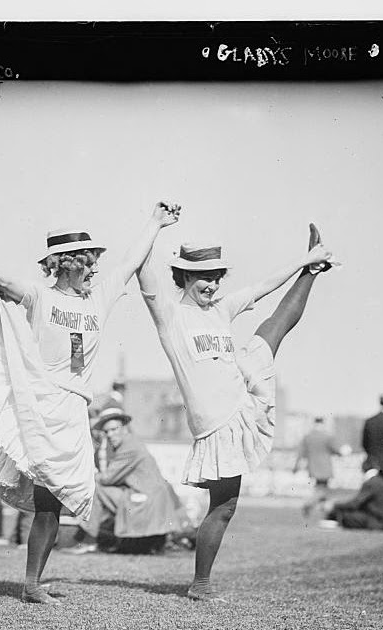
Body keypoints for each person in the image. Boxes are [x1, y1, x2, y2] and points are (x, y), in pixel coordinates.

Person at [0, 180, 180, 605]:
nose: (94, 268)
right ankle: (33, 585)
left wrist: (155, 222)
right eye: (88, 262)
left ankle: (32, 583)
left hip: (74, 410)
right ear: (69, 264)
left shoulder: (98, 300)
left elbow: (131, 262)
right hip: (40, 400)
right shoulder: (40, 295)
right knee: (47, 499)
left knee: (55, 502)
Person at [136, 221, 334, 601]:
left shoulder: (219, 309)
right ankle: (201, 585)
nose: (210, 285)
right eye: (201, 278)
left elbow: (264, 285)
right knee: (224, 506)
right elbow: (142, 271)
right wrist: (155, 224)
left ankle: (312, 271)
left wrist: (305, 260)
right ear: (182, 277)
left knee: (273, 329)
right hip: (217, 420)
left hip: (240, 395)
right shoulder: (171, 317)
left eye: (215, 277)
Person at [65, 407, 183, 554]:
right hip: (150, 497)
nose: (110, 434)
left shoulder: (129, 447)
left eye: (114, 429)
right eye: (107, 431)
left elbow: (108, 478)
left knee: (96, 488)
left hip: (146, 500)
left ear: (124, 428)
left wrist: (88, 476)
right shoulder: (131, 443)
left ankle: (89, 540)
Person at [292, 416, 347, 519]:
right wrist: (343, 452)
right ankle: (309, 505)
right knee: (322, 490)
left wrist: (296, 467)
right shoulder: (327, 436)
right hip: (325, 468)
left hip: (313, 467)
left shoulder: (308, 437)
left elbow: (301, 453)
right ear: (323, 424)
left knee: (322, 490)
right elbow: (336, 450)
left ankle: (326, 512)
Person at [320, 465, 383, 531]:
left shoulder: (371, 483)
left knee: (347, 516)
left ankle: (332, 522)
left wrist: (335, 505)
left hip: (379, 522)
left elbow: (355, 504)